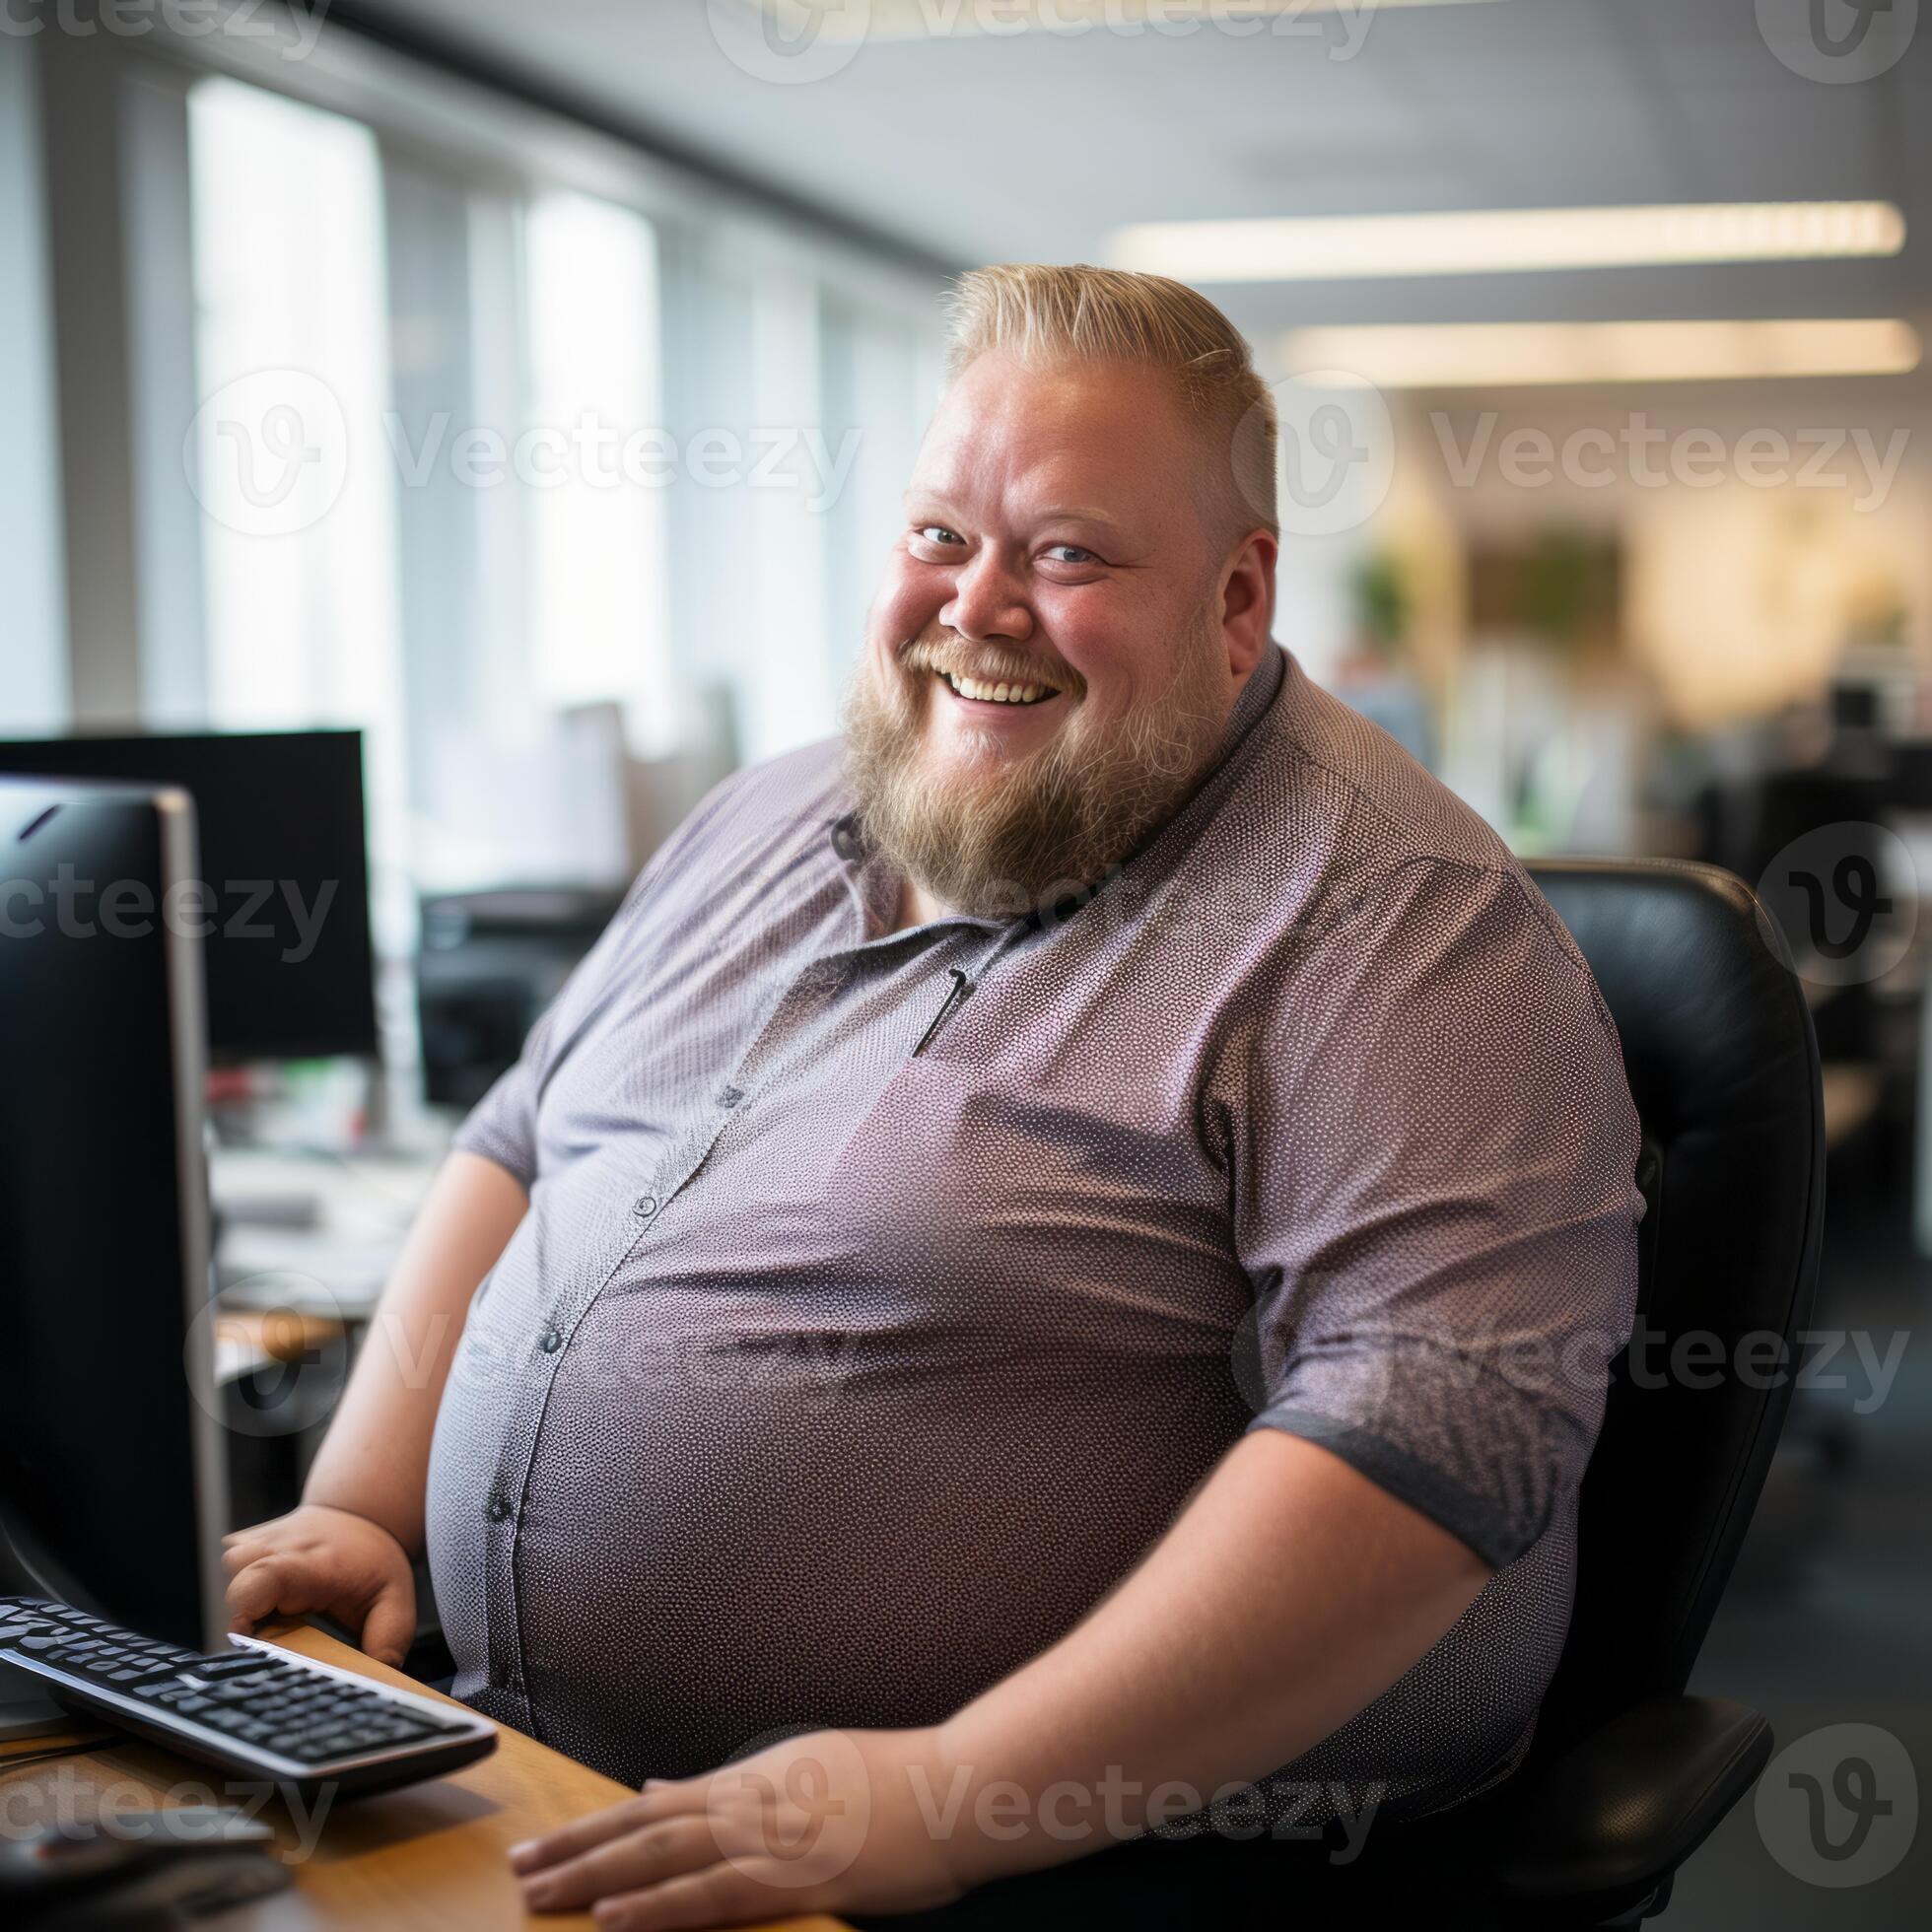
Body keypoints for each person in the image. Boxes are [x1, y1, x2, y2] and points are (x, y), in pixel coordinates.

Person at [224, 264, 1642, 1928]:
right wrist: (363, 1508)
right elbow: (524, 1138)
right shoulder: (765, 819)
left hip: (1059, 1868)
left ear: (1241, 596)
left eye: (1067, 552)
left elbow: (1440, 1428)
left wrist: (953, 1798)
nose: (980, 606)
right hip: (518, 1770)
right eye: (938, 539)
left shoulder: (1398, 922)